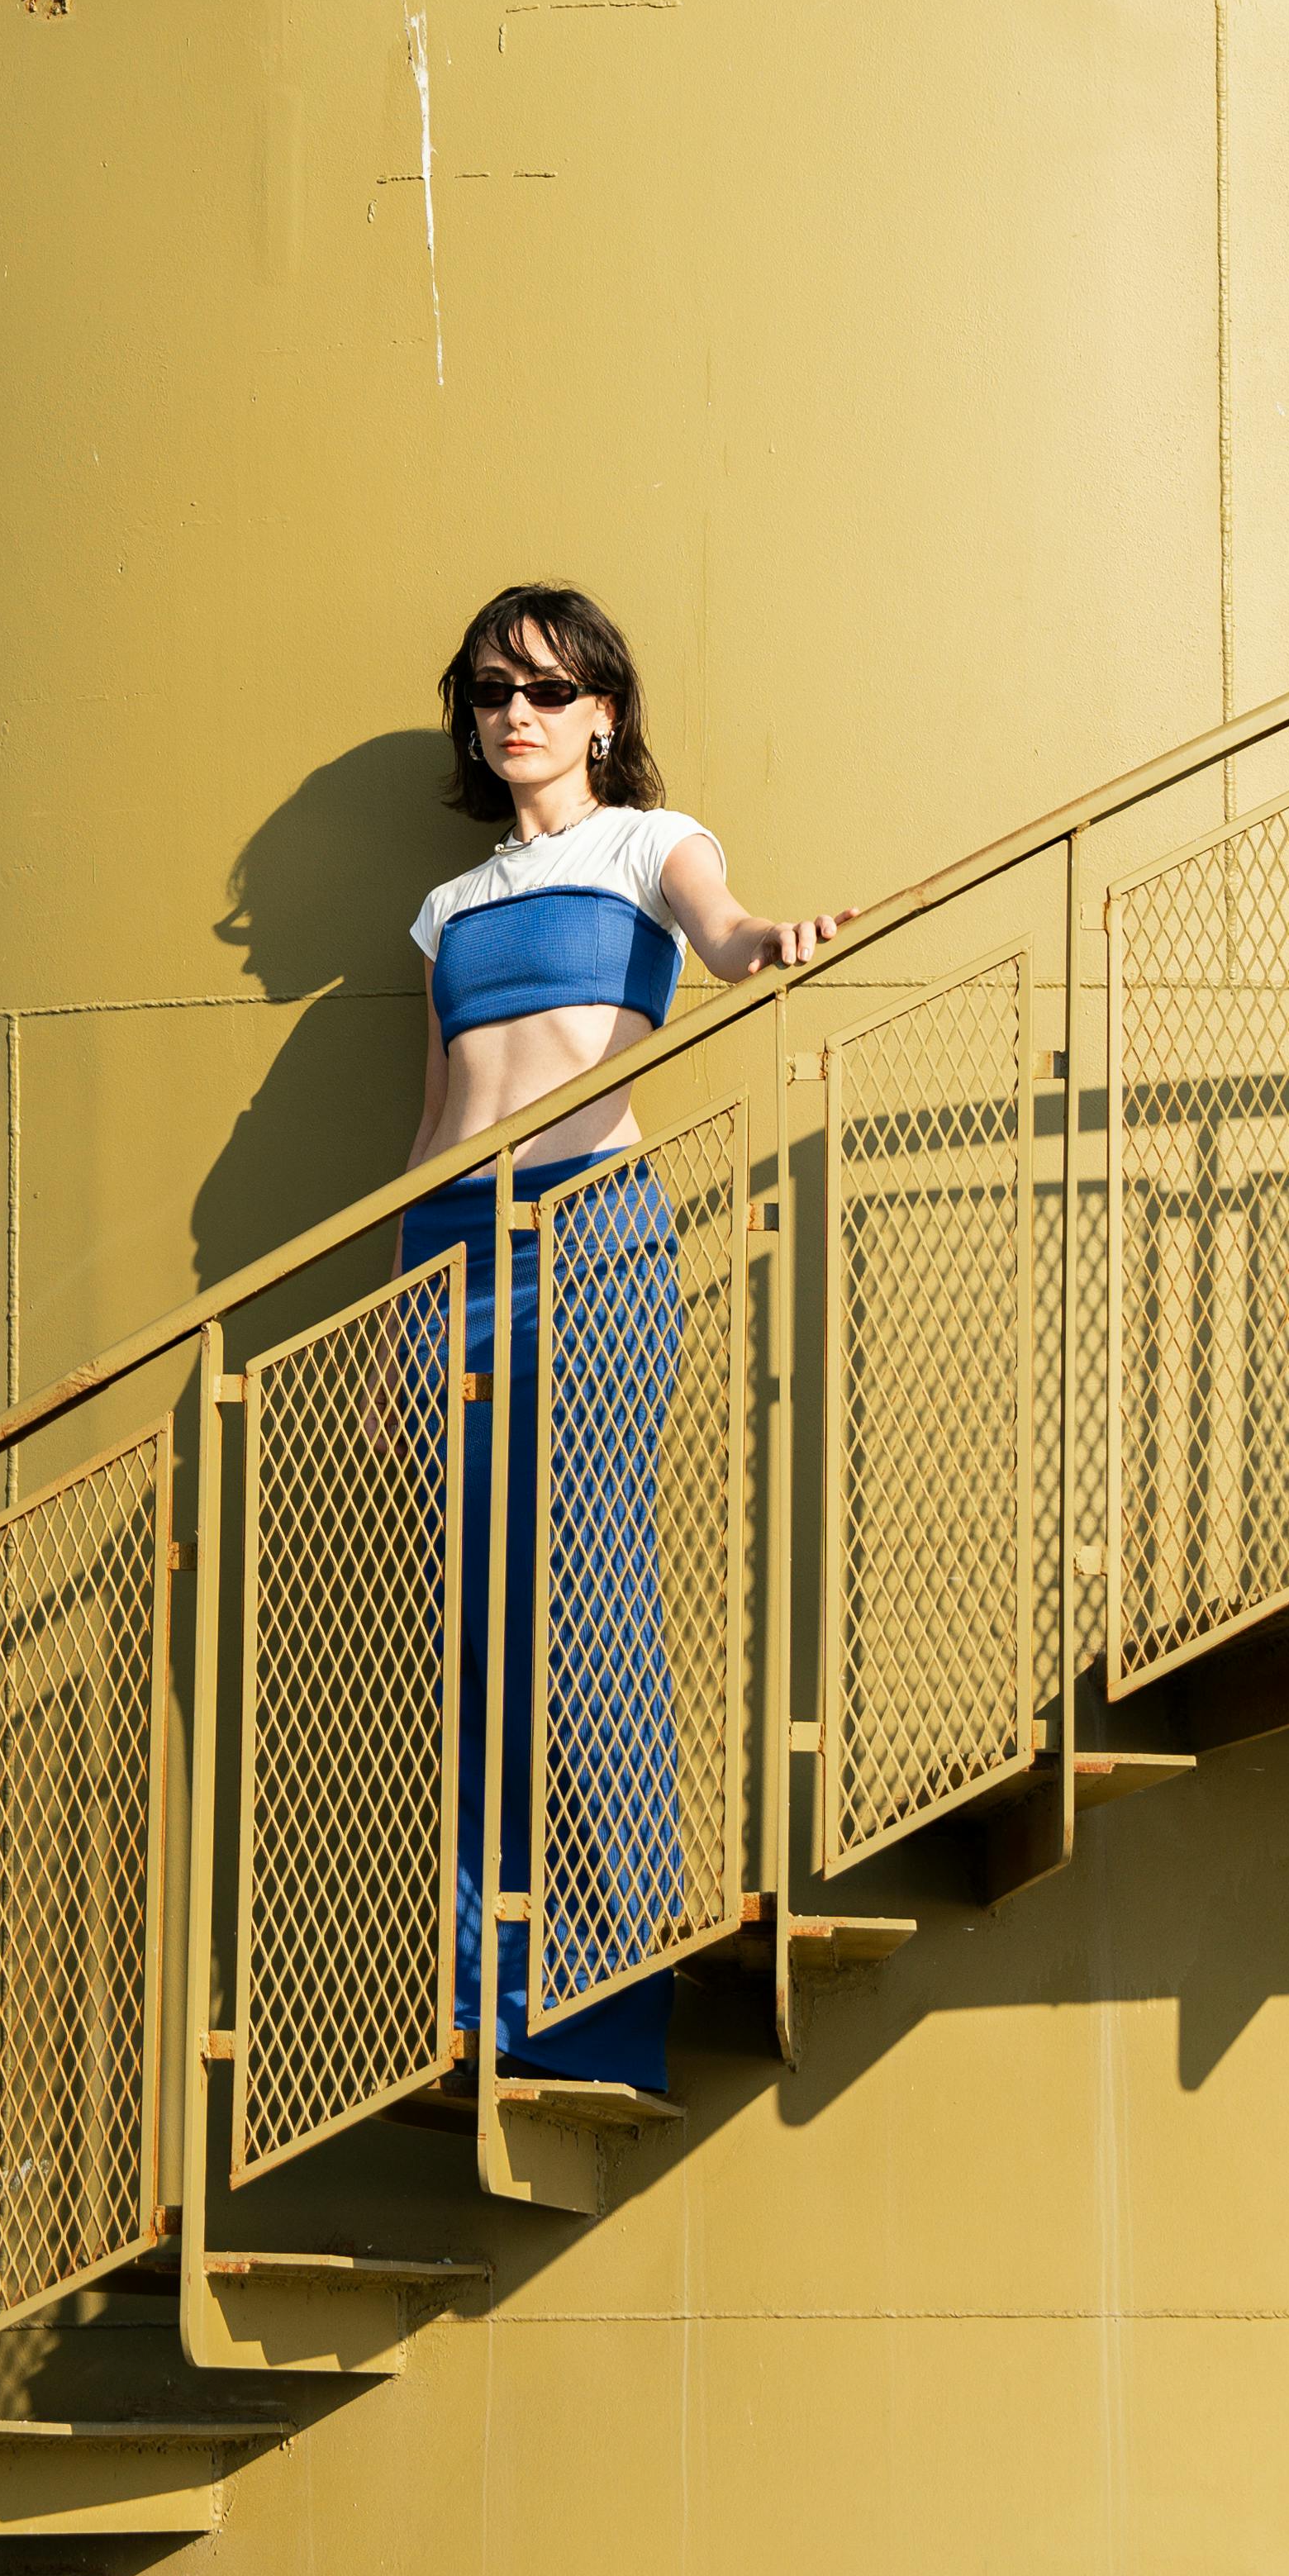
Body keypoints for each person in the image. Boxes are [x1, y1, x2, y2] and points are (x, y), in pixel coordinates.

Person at [401, 588, 848, 2098]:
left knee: (586, 1591)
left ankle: (623, 1958)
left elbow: (723, 937)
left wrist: (764, 941)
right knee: (475, 1630)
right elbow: (432, 1106)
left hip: (589, 1236)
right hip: (441, 1260)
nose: (514, 710)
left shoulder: (649, 843)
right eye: (488, 689)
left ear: (603, 709)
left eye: (545, 684)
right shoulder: (447, 908)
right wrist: (390, 1281)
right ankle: (492, 2001)